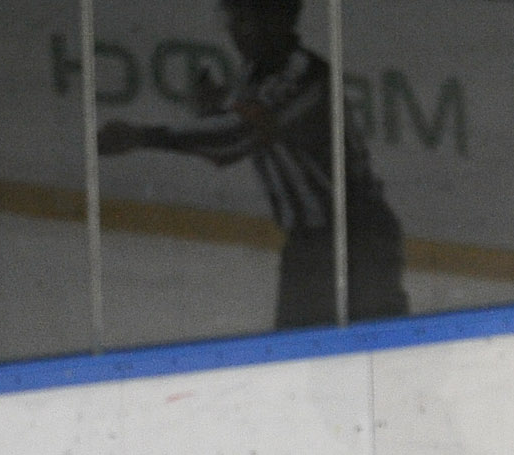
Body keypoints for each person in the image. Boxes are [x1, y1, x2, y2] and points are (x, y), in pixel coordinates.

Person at [96, 0, 409, 327]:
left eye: (247, 17)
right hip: (309, 246)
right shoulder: (255, 75)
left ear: (281, 17)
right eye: (233, 17)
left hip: (356, 241)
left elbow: (238, 136)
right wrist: (218, 107)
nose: (237, 30)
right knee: (302, 357)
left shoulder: (305, 75)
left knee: (372, 350)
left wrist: (142, 136)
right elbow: (242, 119)